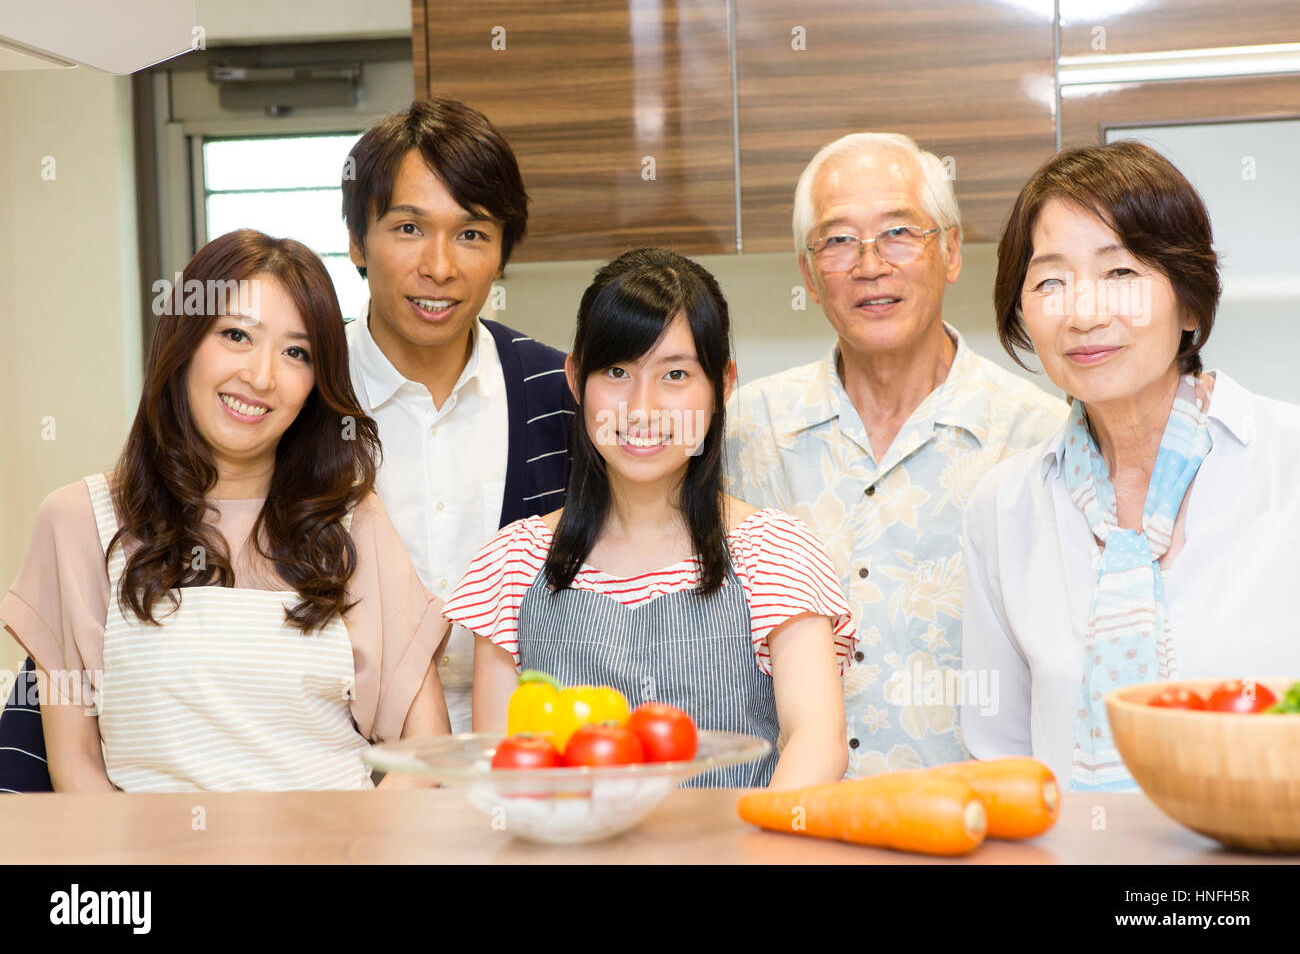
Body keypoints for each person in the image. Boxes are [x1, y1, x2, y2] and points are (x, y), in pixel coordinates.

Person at [0, 230, 451, 792]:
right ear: (184, 343)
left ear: (315, 383)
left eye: (296, 352)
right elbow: (77, 768)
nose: (261, 377)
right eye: (236, 335)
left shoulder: (353, 522)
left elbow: (426, 749)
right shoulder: (77, 521)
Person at [445, 248, 855, 789]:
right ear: (575, 378)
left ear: (723, 387)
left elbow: (816, 742)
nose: (642, 408)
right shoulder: (513, 563)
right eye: (617, 371)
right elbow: (505, 767)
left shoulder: (775, 552)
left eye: (676, 374)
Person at [960, 140, 1300, 790]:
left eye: (1121, 274)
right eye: (1051, 281)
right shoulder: (1003, 508)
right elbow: (999, 757)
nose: (1085, 313)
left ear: (1191, 304)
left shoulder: (1289, 461)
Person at [725, 132, 1067, 776]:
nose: (870, 264)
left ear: (952, 250)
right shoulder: (744, 432)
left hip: (973, 825)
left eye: (899, 232)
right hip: (785, 824)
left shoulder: (1039, 438)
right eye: (837, 240)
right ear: (808, 272)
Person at [341, 97, 573, 735]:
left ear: (502, 254)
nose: (439, 267)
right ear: (358, 240)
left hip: (525, 765)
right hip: (336, 770)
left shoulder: (561, 393)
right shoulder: (299, 391)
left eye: (471, 233)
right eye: (409, 228)